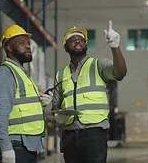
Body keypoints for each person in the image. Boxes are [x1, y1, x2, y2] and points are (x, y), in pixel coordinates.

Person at [51, 20, 127, 163]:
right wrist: (58, 115)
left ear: (86, 45)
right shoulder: (60, 75)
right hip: (69, 135)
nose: (78, 42)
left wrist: (115, 47)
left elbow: (120, 73)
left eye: (81, 40)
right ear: (66, 47)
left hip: (94, 133)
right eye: (72, 40)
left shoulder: (98, 65)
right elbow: (56, 105)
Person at [0, 25, 53, 163]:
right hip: (15, 146)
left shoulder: (22, 74)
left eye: (28, 43)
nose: (28, 46)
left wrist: (40, 104)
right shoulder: (5, 73)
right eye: (21, 43)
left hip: (27, 146)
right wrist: (6, 148)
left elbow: (21, 108)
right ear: (9, 48)